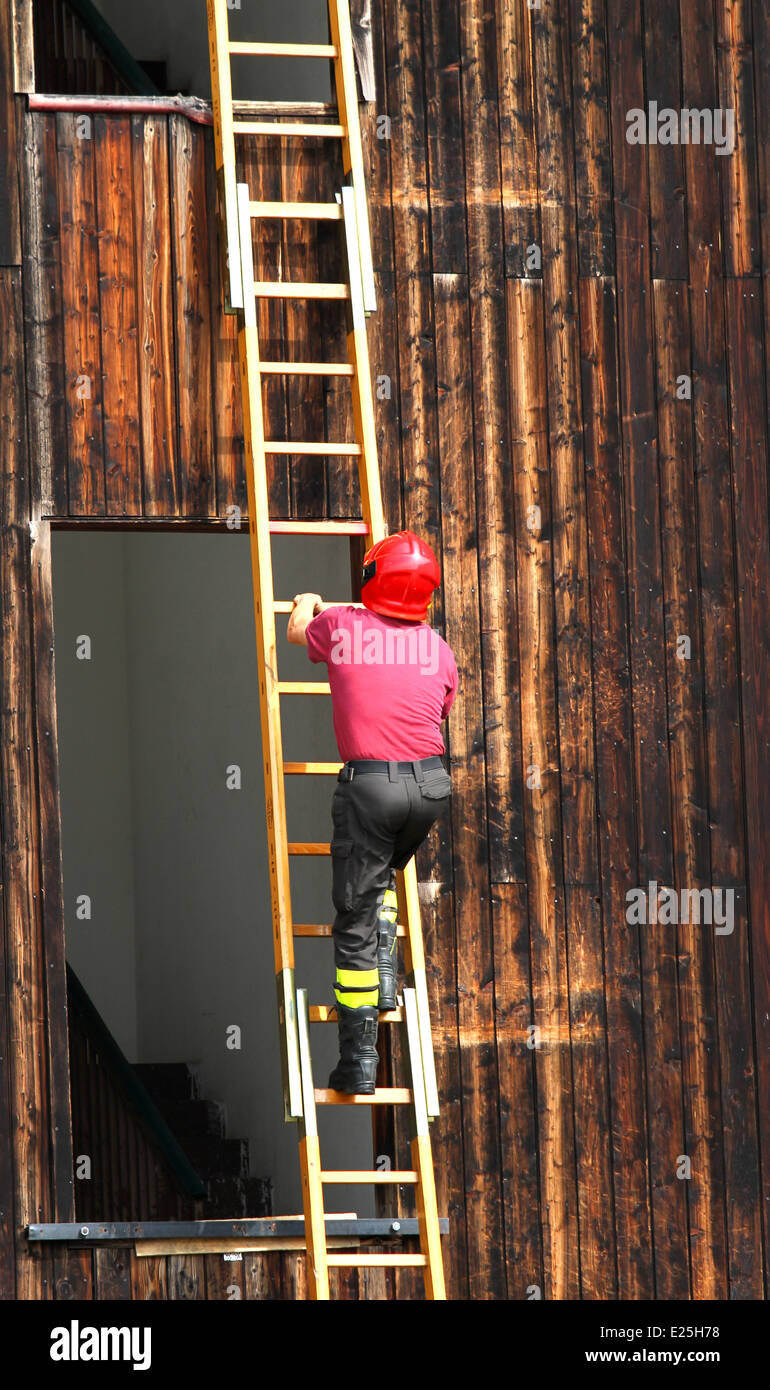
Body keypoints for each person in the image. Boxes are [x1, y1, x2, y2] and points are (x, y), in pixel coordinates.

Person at [287, 530, 458, 1094]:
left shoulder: (341, 625)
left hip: (372, 789)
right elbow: (439, 707)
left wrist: (308, 602)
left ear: (371, 580)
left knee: (353, 919)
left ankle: (358, 1060)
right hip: (431, 788)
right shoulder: (438, 646)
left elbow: (296, 633)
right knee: (380, 875)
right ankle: (384, 980)